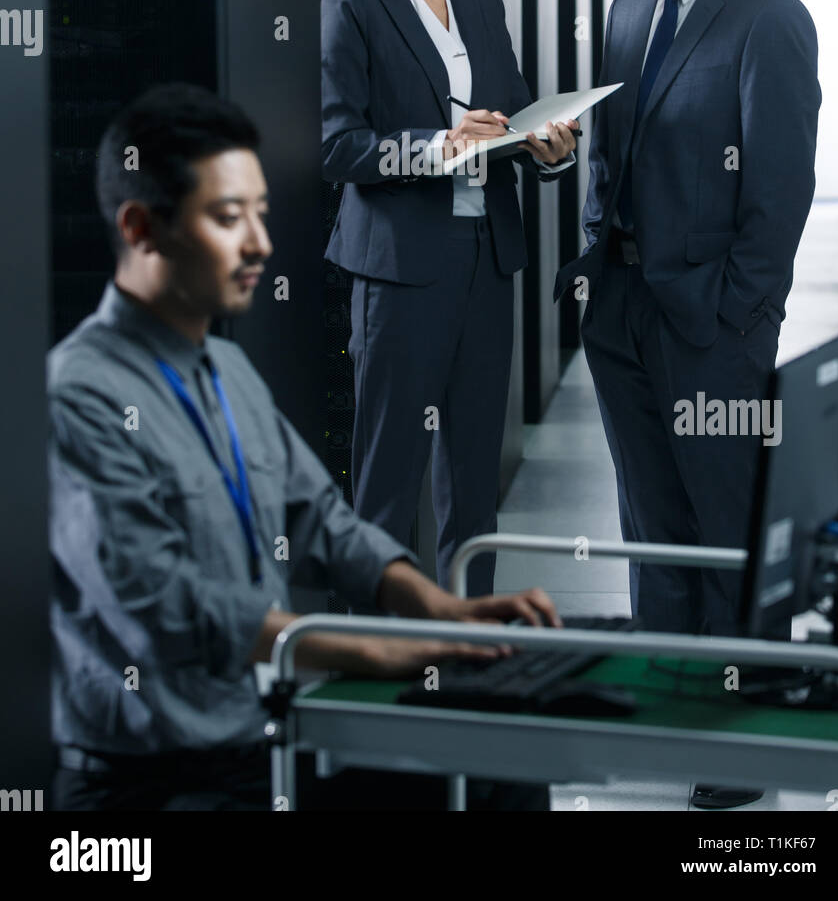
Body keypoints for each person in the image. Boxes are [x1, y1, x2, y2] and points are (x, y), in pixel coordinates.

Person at [49, 83, 559, 811]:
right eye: (229, 218)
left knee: (500, 768)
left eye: (259, 212)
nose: (260, 242)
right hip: (148, 782)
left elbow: (323, 522)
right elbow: (167, 605)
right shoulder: (80, 398)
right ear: (140, 228)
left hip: (266, 737)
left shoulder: (226, 371)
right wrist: (377, 651)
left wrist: (442, 612)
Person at [553, 0, 820, 810]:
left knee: (724, 530)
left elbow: (778, 195)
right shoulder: (628, 14)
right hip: (621, 314)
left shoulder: (767, 17)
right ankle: (675, 701)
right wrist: (592, 258)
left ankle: (740, 743)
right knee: (652, 525)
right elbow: (612, 158)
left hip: (711, 329)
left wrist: (734, 316)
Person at [321, 0, 579, 597]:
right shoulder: (353, 5)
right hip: (402, 270)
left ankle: (469, 644)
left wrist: (548, 147)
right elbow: (341, 150)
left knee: (472, 478)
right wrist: (439, 145)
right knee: (389, 475)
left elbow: (510, 118)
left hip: (487, 263)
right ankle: (371, 651)